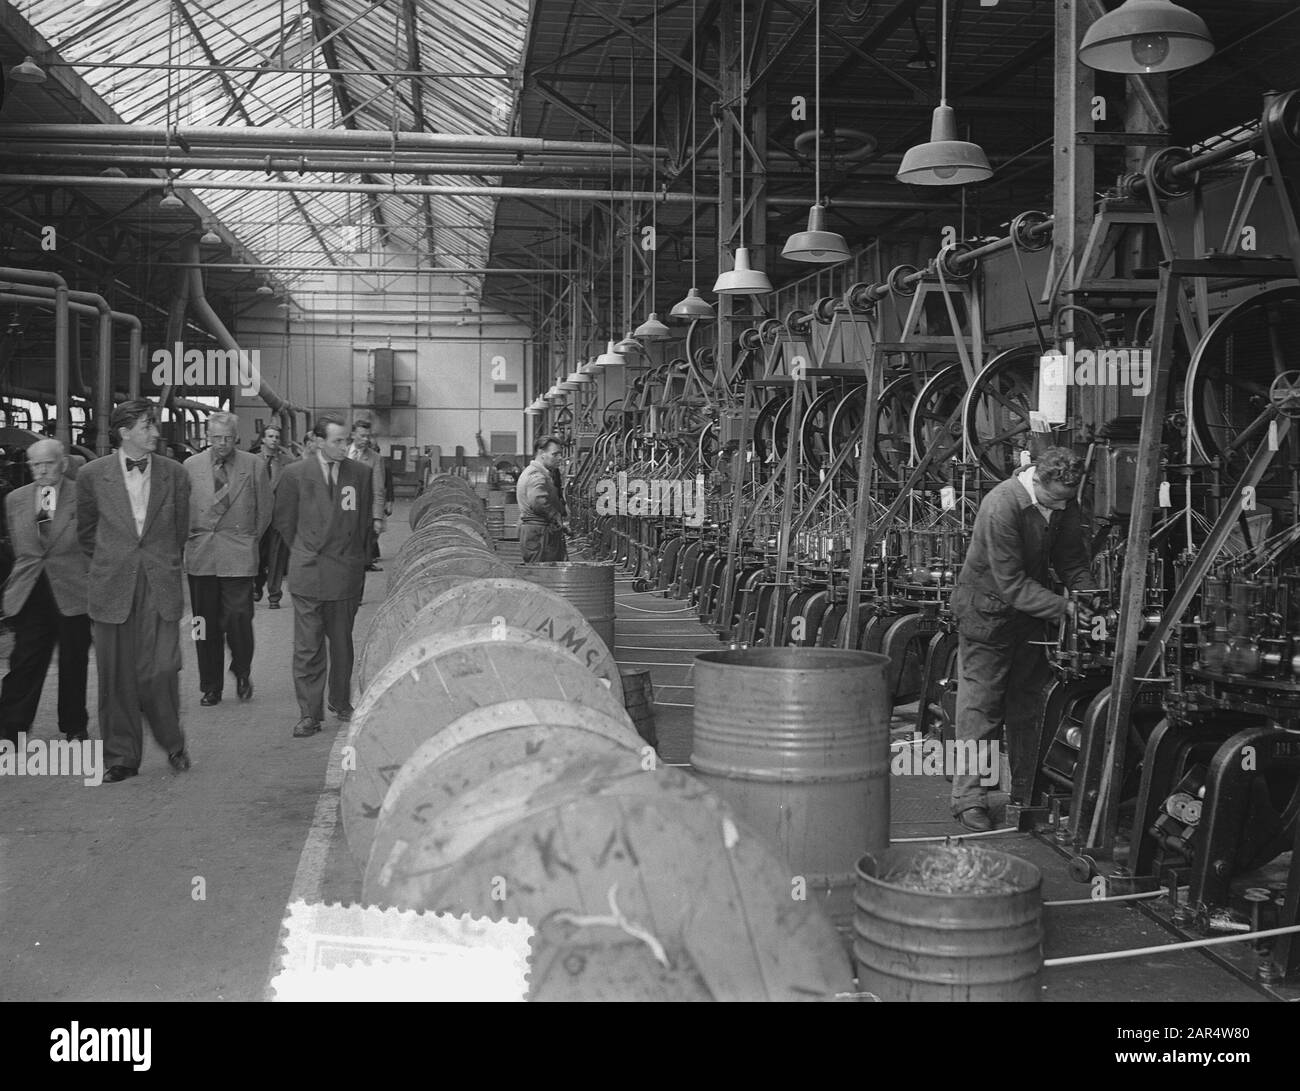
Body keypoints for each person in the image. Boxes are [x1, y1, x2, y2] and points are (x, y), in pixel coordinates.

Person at [948, 446, 1094, 831]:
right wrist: (1066, 608)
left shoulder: (1063, 499)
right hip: (987, 616)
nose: (1062, 509)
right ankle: (969, 797)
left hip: (1029, 619)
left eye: (1068, 500)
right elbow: (1011, 584)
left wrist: (1090, 597)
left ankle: (1025, 792)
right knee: (981, 709)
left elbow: (1072, 560)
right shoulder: (1002, 505)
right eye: (1056, 500)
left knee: (1029, 706)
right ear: (1038, 482)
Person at [77, 400, 192, 782]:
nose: (155, 434)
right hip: (112, 585)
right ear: (125, 432)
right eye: (147, 427)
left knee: (160, 670)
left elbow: (179, 532)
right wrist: (116, 561)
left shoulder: (175, 474)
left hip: (159, 582)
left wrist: (159, 563)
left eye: (154, 425)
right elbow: (86, 533)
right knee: (116, 676)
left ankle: (172, 741)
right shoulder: (91, 475)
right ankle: (121, 757)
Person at [274, 414, 373, 738]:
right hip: (309, 573)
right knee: (307, 648)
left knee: (342, 645)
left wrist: (355, 565)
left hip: (344, 573)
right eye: (338, 441)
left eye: (346, 440)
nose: (345, 446)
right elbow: (285, 523)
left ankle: (341, 702)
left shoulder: (360, 474)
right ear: (317, 441)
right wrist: (305, 552)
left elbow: (362, 528)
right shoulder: (294, 475)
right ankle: (309, 713)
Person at [0, 439, 91, 745]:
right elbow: (21, 546)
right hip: (31, 589)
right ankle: (11, 729)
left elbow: (94, 544)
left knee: (73, 661)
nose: (40, 470)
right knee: (25, 661)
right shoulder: (15, 499)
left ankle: (74, 725)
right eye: (34, 464)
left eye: (47, 463)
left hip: (73, 589)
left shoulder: (83, 497)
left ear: (62, 463)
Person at [183, 412, 271, 706]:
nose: (221, 444)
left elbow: (265, 512)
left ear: (237, 438)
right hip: (202, 556)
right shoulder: (190, 467)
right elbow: (183, 511)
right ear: (207, 436)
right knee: (203, 625)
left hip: (239, 554)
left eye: (227, 438)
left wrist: (247, 541)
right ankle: (211, 686)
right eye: (215, 438)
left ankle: (242, 668)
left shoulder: (254, 465)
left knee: (239, 617)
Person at [253, 423, 294, 609]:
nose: (274, 440)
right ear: (263, 439)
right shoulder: (252, 461)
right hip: (258, 517)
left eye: (277, 437)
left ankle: (274, 596)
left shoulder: (287, 462)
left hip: (278, 518)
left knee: (277, 558)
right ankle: (257, 585)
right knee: (258, 556)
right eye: (270, 436)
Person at [347, 418, 392, 572]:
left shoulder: (375, 459)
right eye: (362, 436)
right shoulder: (341, 452)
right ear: (353, 434)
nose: (366, 439)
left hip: (363, 514)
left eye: (368, 436)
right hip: (342, 511)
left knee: (358, 556)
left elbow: (378, 490)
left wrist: (377, 518)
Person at [517, 435, 568, 563]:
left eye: (560, 454)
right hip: (540, 534)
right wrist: (555, 516)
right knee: (543, 574)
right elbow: (538, 502)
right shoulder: (537, 475)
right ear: (541, 453)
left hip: (537, 532)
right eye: (555, 454)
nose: (560, 458)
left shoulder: (536, 472)